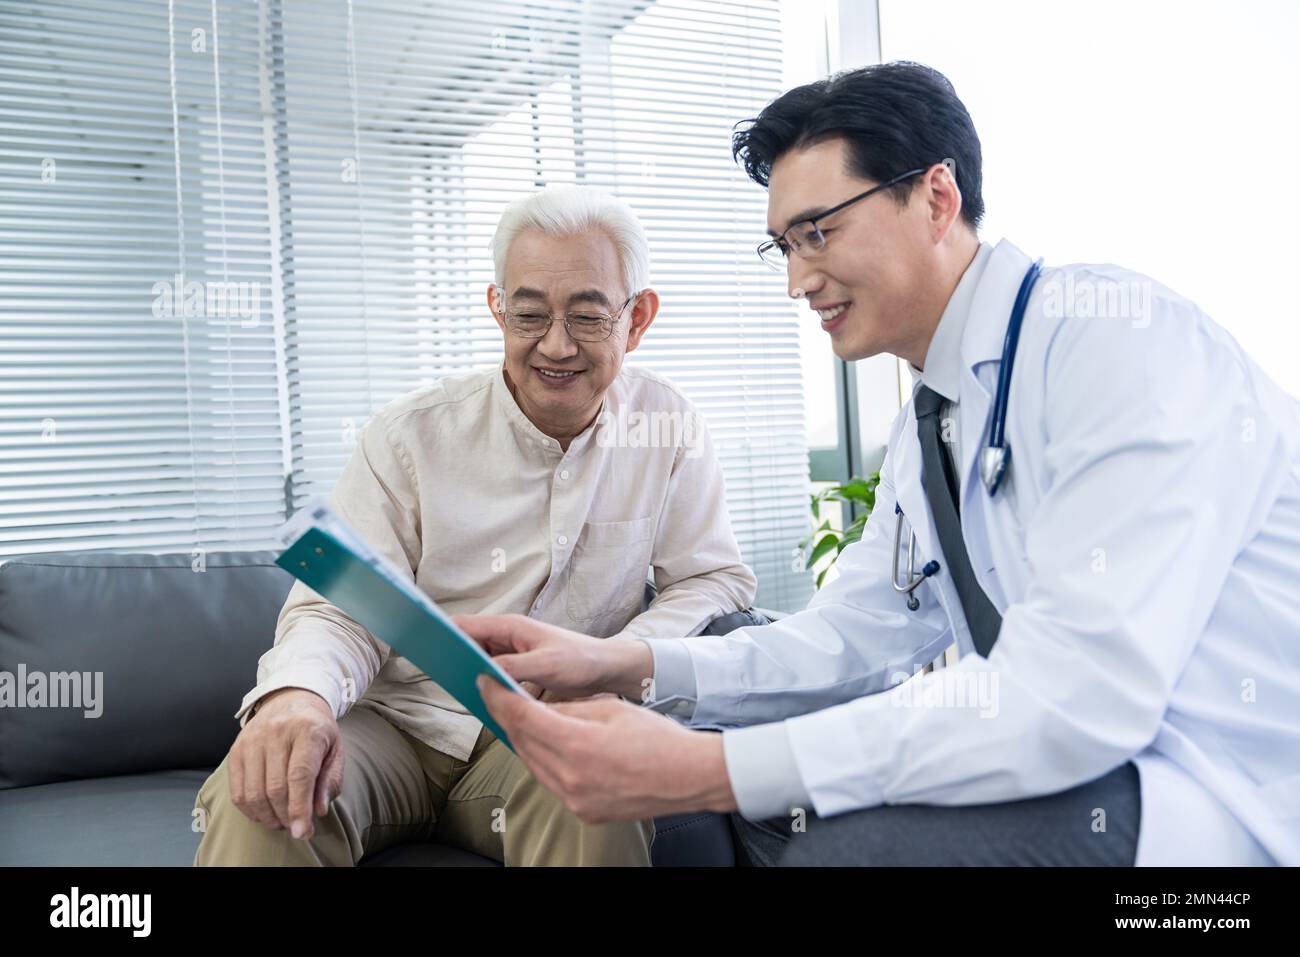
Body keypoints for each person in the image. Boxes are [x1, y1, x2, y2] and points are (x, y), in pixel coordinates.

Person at [459, 62, 1300, 867]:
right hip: (1098, 775)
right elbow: (849, 637)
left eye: (818, 232)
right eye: (783, 246)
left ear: (936, 196)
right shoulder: (933, 420)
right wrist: (628, 665)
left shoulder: (1116, 340)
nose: (797, 281)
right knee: (769, 781)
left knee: (856, 850)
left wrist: (705, 768)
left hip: (1224, 813)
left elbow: (1076, 694)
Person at [193, 185, 757, 866]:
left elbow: (712, 576)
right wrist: (298, 695)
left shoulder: (667, 428)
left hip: (541, 734)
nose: (556, 345)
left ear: (637, 319)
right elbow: (341, 607)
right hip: (396, 723)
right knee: (264, 794)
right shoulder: (409, 438)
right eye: (529, 314)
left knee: (596, 792)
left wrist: (618, 660)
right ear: (497, 309)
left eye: (587, 316)